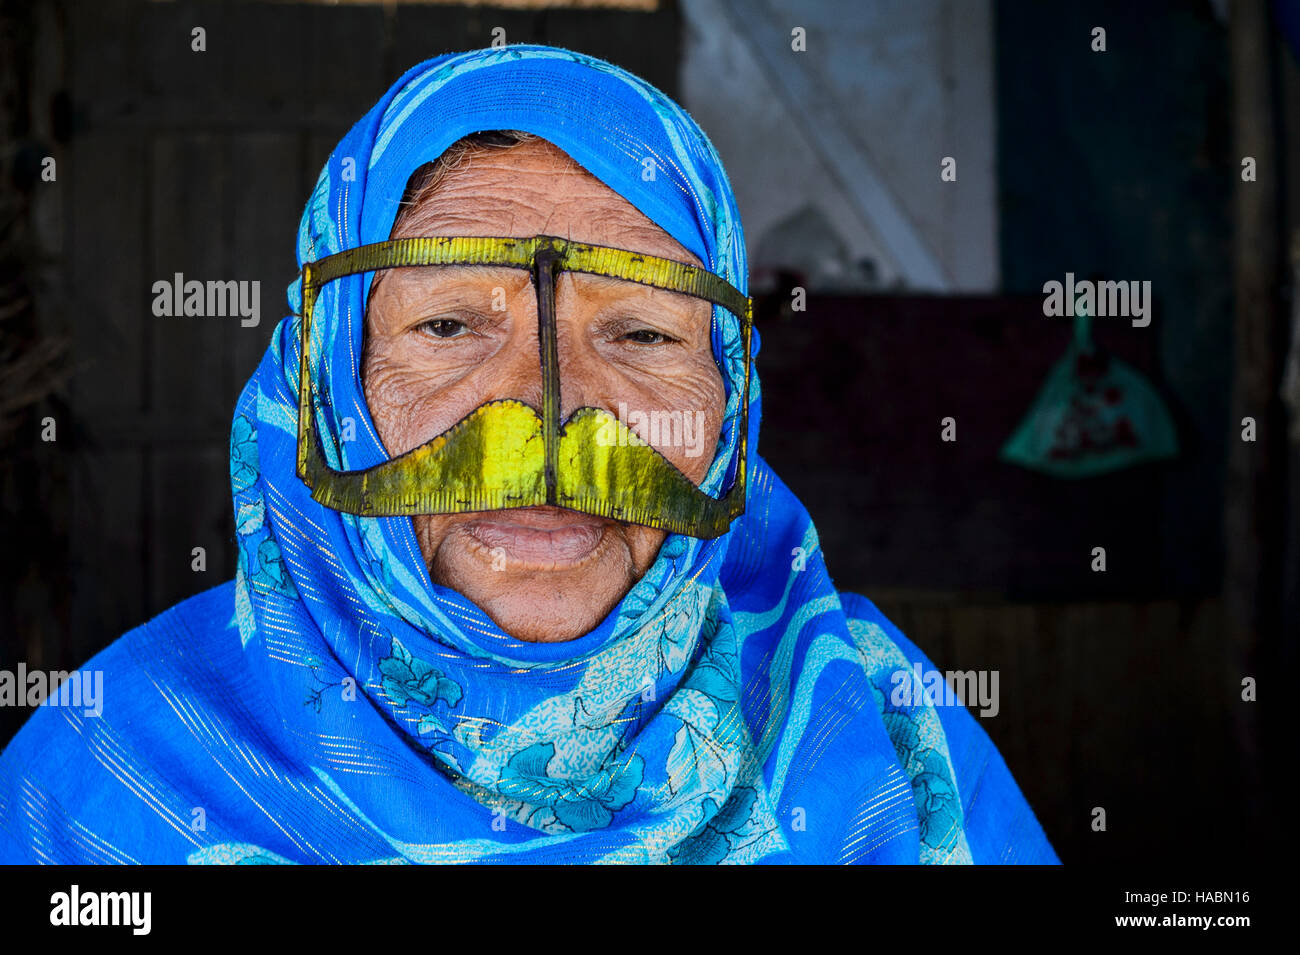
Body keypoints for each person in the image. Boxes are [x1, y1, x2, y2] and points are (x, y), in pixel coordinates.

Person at [0, 45, 1057, 864]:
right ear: (321, 383)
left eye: (642, 335)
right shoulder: (109, 770)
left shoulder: (884, 725)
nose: (550, 421)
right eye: (450, 326)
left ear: (734, 395)